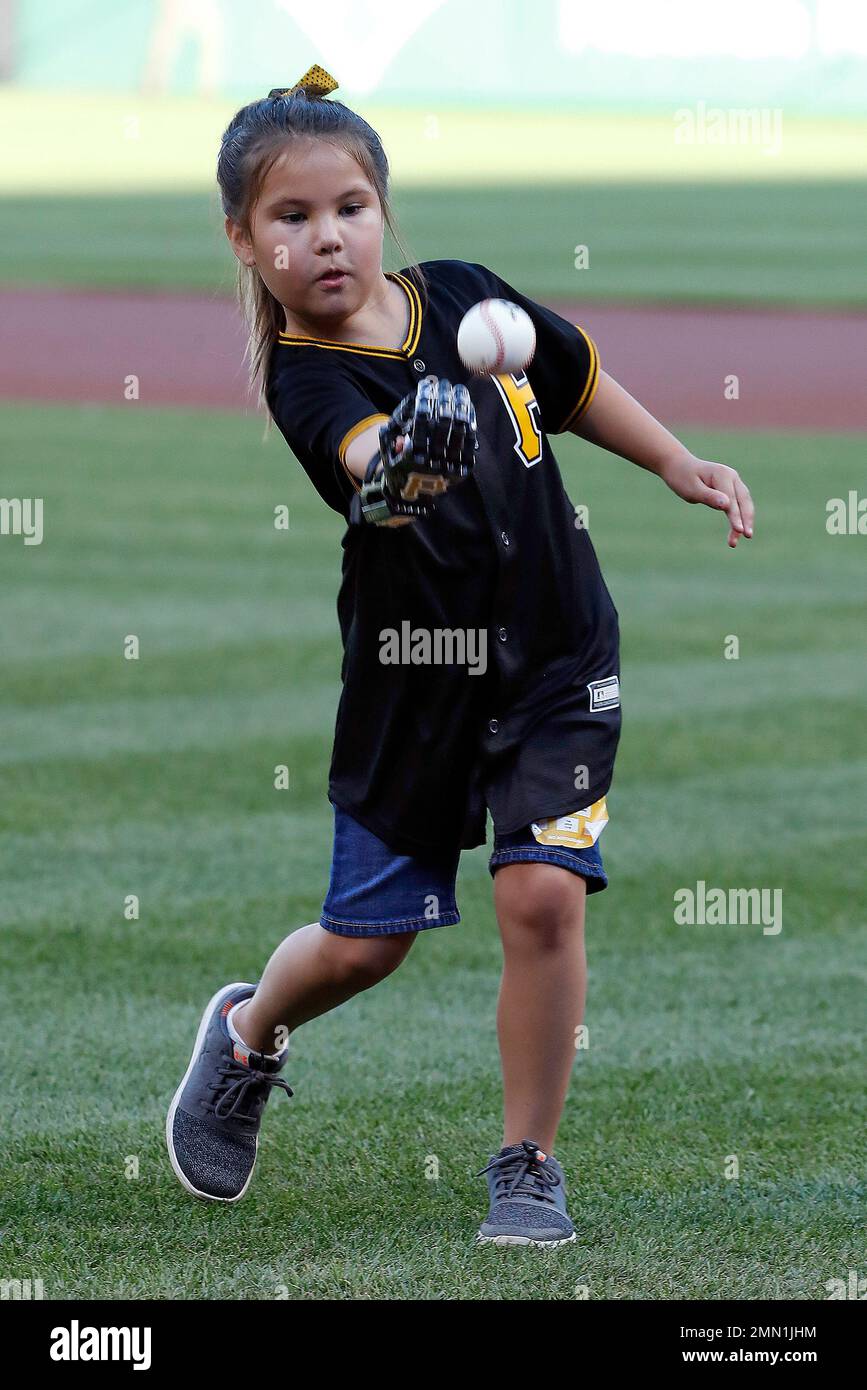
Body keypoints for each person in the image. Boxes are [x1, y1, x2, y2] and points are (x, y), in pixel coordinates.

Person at [166, 65, 754, 1247]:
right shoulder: (306, 373)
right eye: (292, 218)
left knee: (542, 899)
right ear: (242, 237)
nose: (328, 238)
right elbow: (372, 465)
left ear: (385, 207)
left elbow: (576, 378)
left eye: (349, 207)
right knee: (367, 944)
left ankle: (527, 1161)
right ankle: (245, 1031)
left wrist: (677, 462)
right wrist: (413, 454)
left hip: (557, 658)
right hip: (415, 680)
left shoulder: (470, 294)